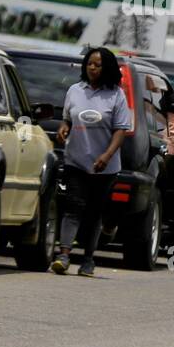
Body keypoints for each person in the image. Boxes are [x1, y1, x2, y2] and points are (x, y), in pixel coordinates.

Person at [53, 47, 132, 277]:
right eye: (89, 64)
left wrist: (106, 156)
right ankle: (64, 255)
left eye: (97, 65)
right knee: (72, 207)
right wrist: (63, 128)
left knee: (95, 212)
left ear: (106, 68)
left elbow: (120, 131)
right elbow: (67, 118)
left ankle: (88, 259)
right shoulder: (74, 91)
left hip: (105, 165)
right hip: (76, 160)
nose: (92, 68)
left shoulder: (116, 95)